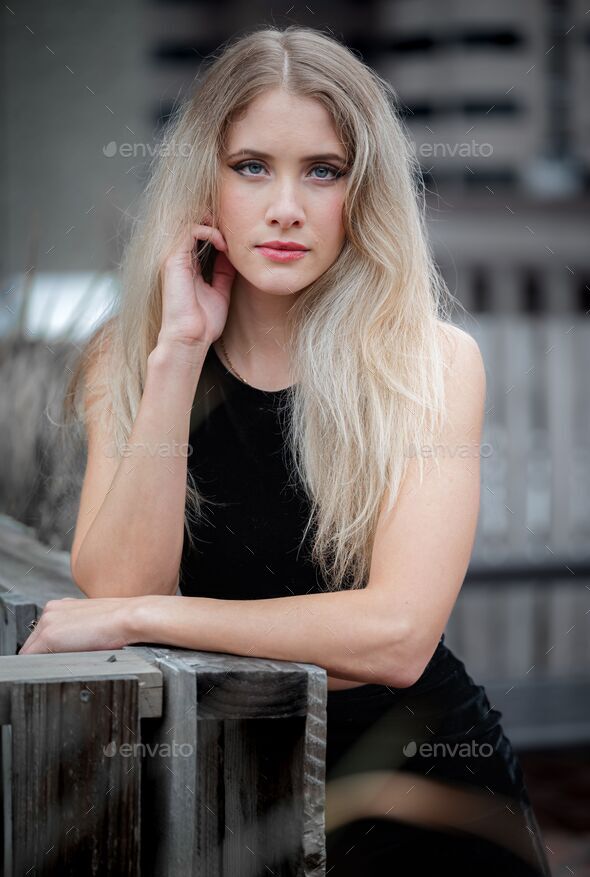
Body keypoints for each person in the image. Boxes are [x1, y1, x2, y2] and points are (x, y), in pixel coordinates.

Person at [19, 25, 551, 876]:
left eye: (324, 171)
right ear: (205, 180)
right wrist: (177, 354)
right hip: (222, 791)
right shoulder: (129, 357)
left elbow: (397, 636)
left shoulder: (428, 361)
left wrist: (147, 619)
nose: (286, 207)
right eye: (252, 166)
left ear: (361, 190)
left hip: (417, 794)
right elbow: (118, 582)